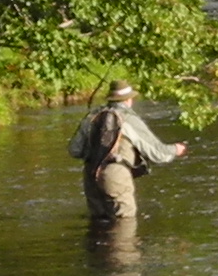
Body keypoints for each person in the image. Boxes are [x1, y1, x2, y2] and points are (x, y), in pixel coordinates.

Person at [68, 82, 185, 224]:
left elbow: (74, 150)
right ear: (129, 100)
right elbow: (157, 153)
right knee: (125, 224)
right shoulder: (128, 119)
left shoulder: (92, 117)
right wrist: (175, 149)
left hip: (91, 176)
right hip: (116, 176)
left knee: (98, 224)